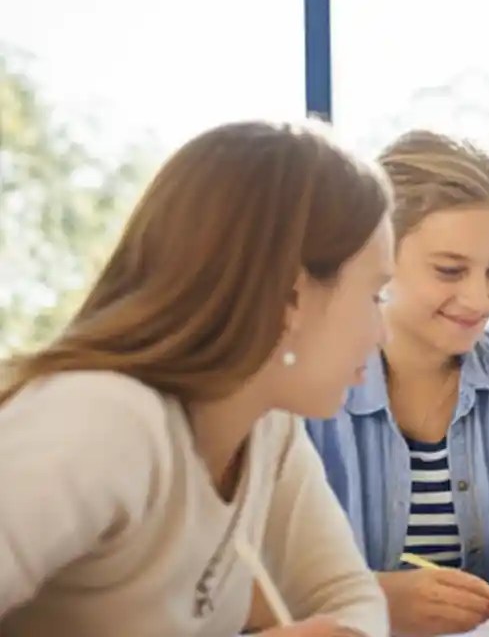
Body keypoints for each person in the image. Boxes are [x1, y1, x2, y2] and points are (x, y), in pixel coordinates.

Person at [0, 121, 391, 636]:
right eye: (375, 296)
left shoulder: (266, 429)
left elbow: (350, 597)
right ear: (293, 296)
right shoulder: (103, 418)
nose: (380, 334)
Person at [307, 130, 489, 637]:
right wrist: (373, 600)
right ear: (378, 256)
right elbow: (250, 570)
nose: (479, 299)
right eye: (450, 270)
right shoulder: (306, 382)